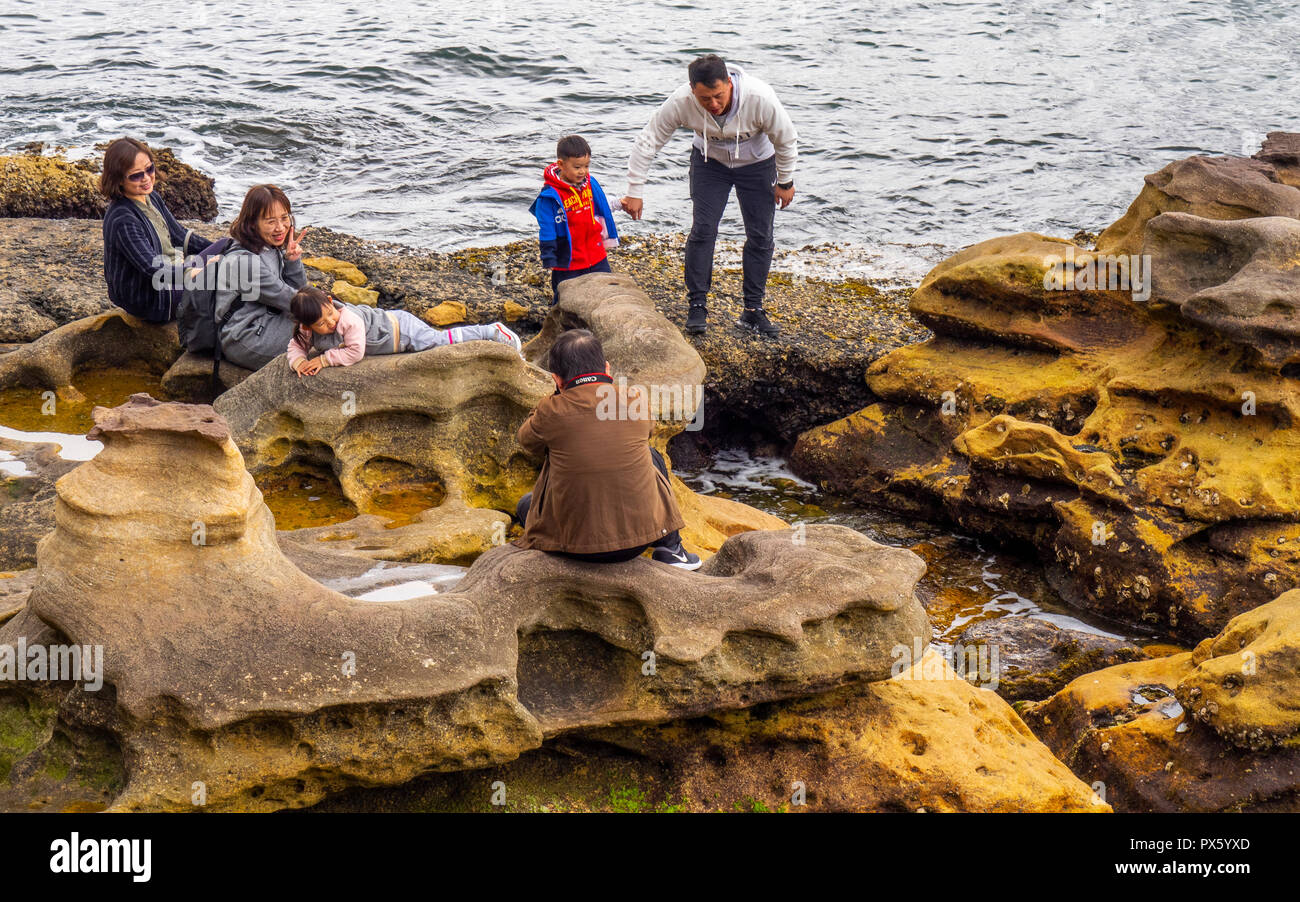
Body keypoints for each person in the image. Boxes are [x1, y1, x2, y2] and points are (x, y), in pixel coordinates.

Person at [620, 54, 798, 338]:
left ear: (729, 83)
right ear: (693, 91)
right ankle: (698, 306)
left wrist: (785, 180)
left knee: (761, 235)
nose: (713, 104)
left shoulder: (759, 97)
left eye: (718, 96)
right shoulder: (681, 101)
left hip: (758, 164)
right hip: (709, 163)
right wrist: (635, 191)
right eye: (705, 99)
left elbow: (786, 138)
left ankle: (753, 311)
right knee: (703, 230)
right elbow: (648, 140)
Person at [512, 328, 701, 569]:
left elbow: (527, 440)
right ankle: (672, 549)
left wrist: (554, 398)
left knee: (524, 505)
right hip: (638, 543)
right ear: (607, 369)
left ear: (556, 379)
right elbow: (648, 431)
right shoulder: (635, 399)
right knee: (651, 454)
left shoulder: (551, 410)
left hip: (577, 550)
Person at [286, 286, 522, 376]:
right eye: (321, 324)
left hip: (401, 330)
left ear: (330, 300)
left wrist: (324, 360)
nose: (330, 322)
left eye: (330, 313)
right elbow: (295, 346)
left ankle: (490, 332)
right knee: (437, 343)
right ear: (307, 326)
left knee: (439, 342)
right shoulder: (307, 329)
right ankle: (488, 334)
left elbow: (356, 352)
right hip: (396, 333)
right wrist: (299, 363)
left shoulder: (348, 319)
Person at [100, 137, 213, 322]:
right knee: (227, 279)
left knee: (229, 249)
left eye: (149, 169)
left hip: (174, 273)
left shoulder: (151, 197)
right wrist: (196, 273)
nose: (146, 178)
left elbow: (179, 236)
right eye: (136, 175)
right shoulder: (123, 219)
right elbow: (151, 267)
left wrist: (226, 249)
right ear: (119, 179)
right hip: (153, 298)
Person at [212, 184, 309, 370]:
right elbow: (292, 300)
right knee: (326, 328)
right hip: (244, 337)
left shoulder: (269, 248)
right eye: (270, 221)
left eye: (284, 218)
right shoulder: (244, 261)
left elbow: (298, 293)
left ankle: (376, 322)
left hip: (267, 321)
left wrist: (292, 260)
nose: (280, 228)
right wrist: (338, 312)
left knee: (333, 321)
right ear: (252, 223)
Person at [529, 134, 619, 304]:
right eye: (577, 167)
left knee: (604, 294)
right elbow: (547, 228)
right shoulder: (549, 197)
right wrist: (548, 256)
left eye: (586, 166)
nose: (583, 171)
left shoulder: (589, 183)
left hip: (596, 254)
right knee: (565, 301)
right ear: (561, 165)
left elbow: (601, 205)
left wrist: (620, 203)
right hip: (568, 260)